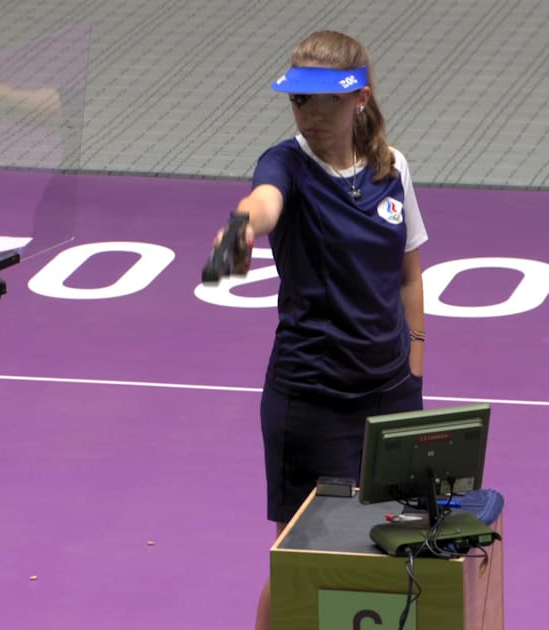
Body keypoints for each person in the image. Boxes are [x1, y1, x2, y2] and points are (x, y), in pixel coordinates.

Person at [208, 31, 428, 629]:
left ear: (359, 97)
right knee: (300, 555)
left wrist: (415, 362)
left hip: (390, 392)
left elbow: (409, 275)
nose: (310, 114)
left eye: (324, 100)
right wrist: (240, 230)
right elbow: (264, 202)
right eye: (299, 101)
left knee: (401, 544)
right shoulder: (286, 164)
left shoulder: (393, 168)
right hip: (312, 396)